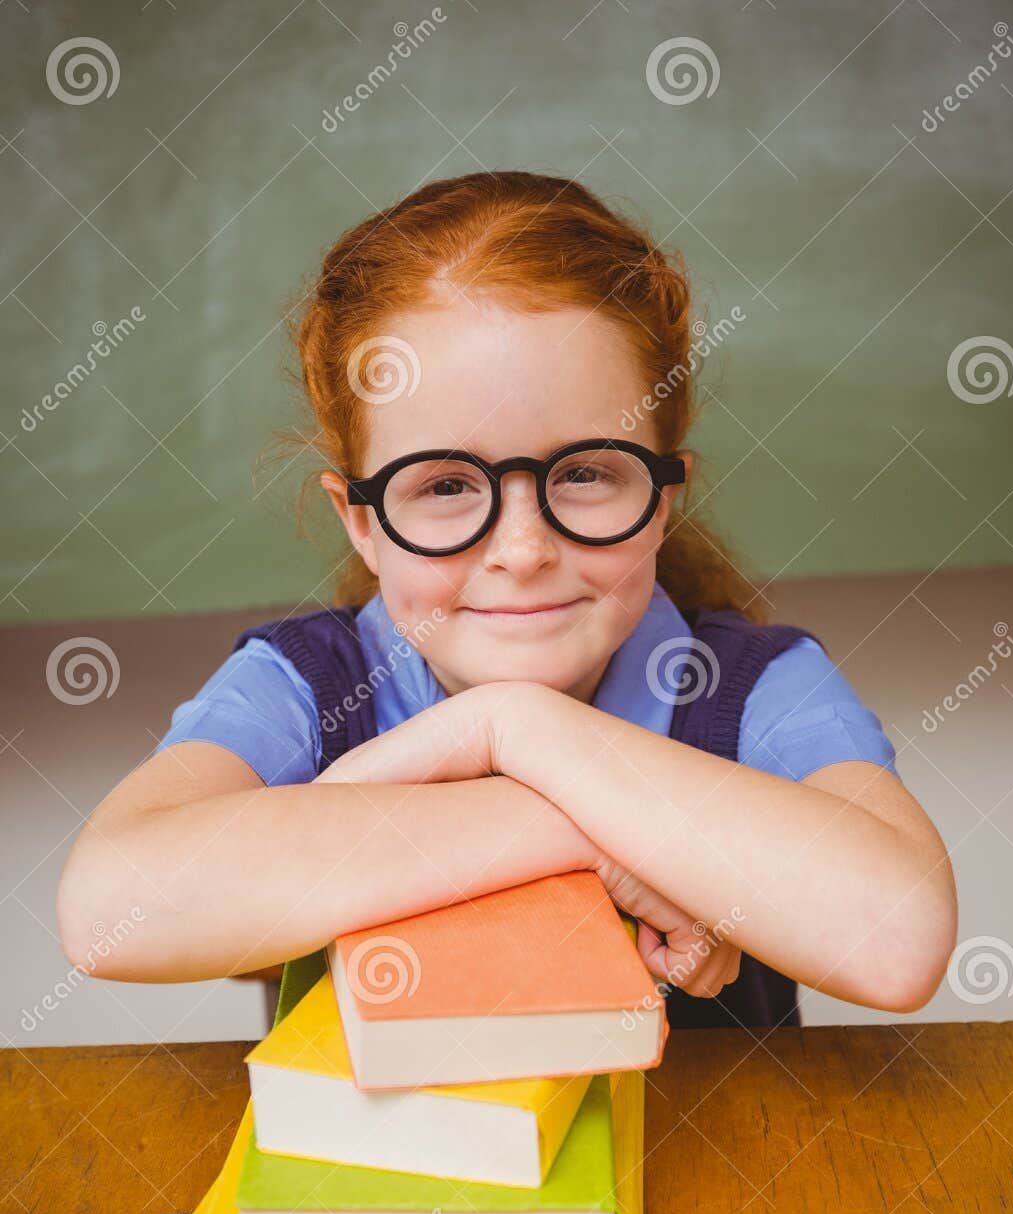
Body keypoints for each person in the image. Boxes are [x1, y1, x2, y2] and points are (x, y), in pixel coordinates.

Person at [57, 170, 956, 1027]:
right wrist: (583, 836)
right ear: (362, 523)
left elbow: (898, 940)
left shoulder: (751, 687)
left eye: (585, 473)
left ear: (663, 497)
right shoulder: (302, 686)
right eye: (444, 486)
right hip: (385, 1186)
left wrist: (507, 730)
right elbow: (108, 910)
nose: (522, 550)